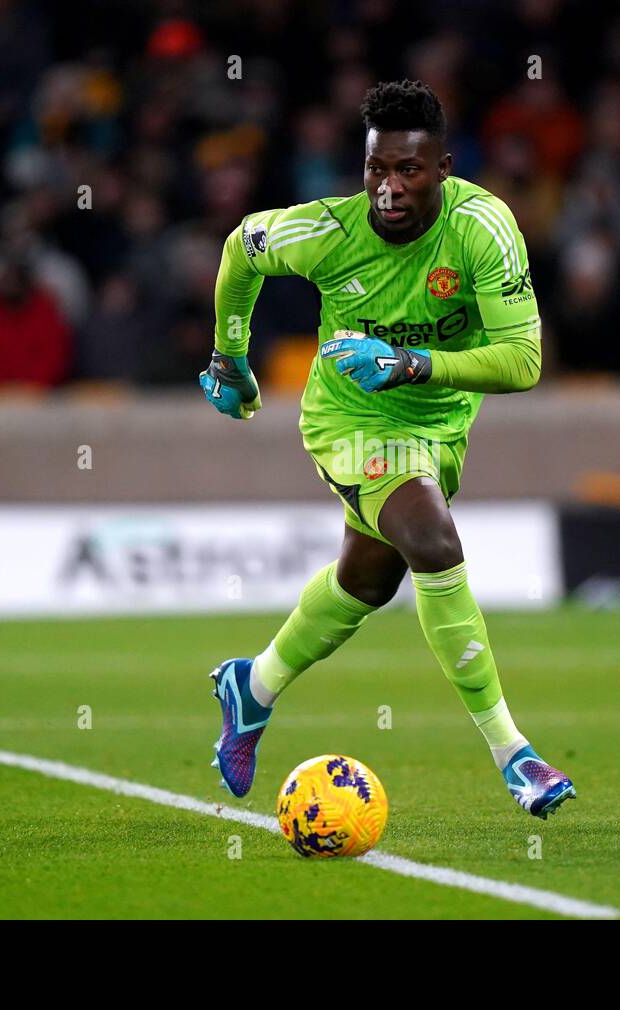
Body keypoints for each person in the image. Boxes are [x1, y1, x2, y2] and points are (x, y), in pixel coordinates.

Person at [199, 80, 575, 819]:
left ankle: (255, 686)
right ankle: (514, 754)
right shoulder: (329, 233)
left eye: (408, 170)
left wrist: (415, 364)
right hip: (353, 418)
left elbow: (525, 360)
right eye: (377, 170)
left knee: (368, 579)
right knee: (432, 541)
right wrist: (230, 359)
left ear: (443, 168)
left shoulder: (483, 230)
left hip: (438, 418)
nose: (389, 189)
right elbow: (243, 247)